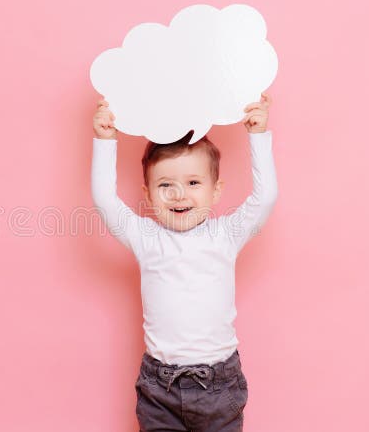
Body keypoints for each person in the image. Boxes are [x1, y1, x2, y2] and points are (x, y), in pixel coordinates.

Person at [90, 93, 278, 431]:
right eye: (165, 185)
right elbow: (105, 200)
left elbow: (264, 198)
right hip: (159, 388)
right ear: (147, 194)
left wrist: (258, 135)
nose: (179, 194)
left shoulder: (226, 235)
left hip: (220, 384)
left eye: (193, 183)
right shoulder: (146, 238)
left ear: (215, 190)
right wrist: (105, 139)